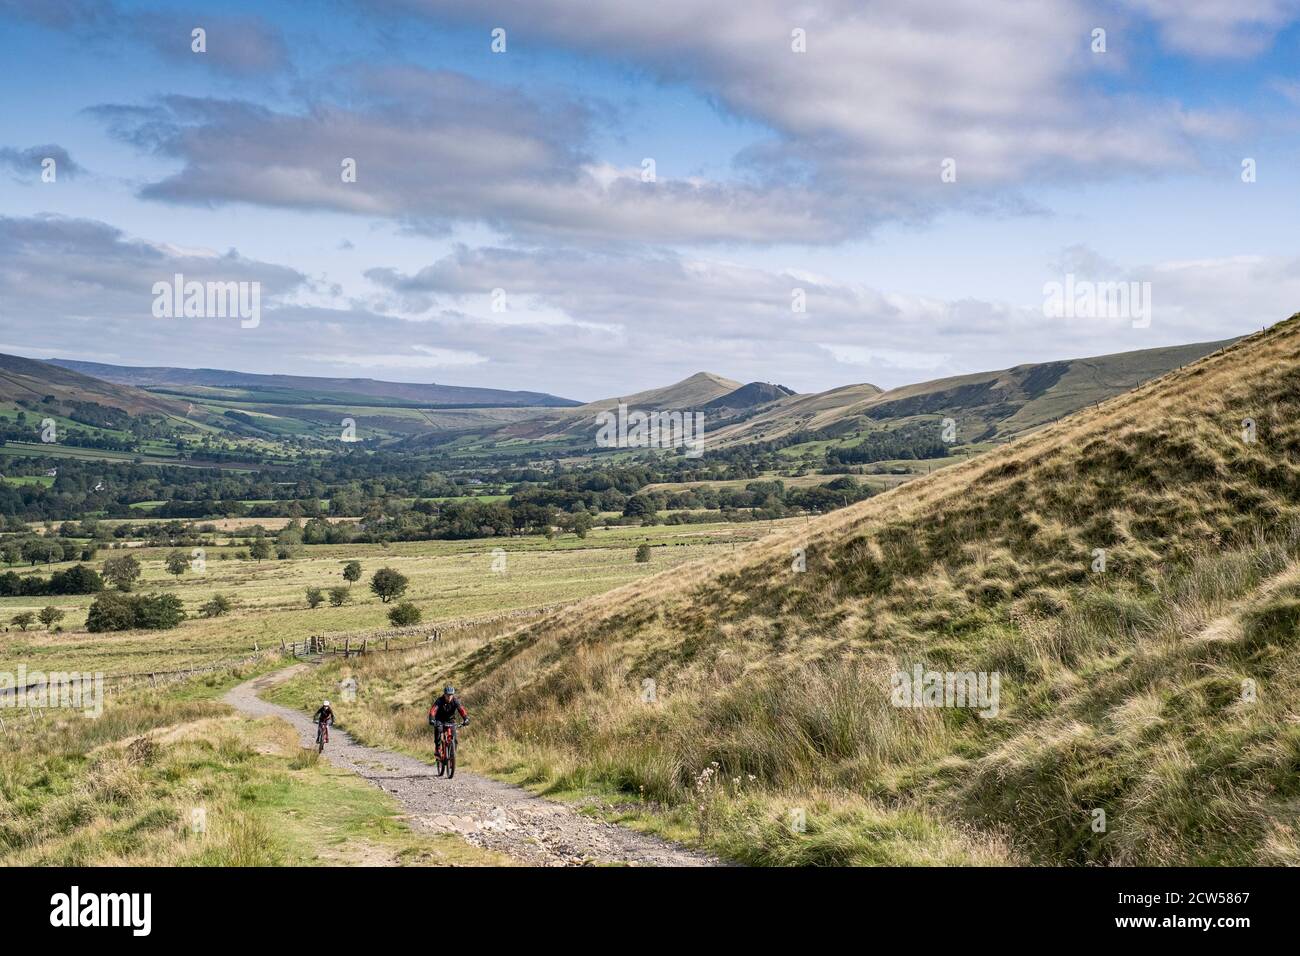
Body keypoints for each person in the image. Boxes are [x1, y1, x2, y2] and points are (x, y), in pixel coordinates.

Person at [429, 685, 468, 755]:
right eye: (447, 695)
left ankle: (453, 756)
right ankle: (437, 748)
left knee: (454, 739)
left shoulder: (455, 701)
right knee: (438, 729)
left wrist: (466, 719)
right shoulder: (439, 701)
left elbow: (461, 710)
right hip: (440, 720)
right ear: (444, 694)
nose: (449, 697)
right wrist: (431, 719)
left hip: (451, 721)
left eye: (451, 695)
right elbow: (433, 710)